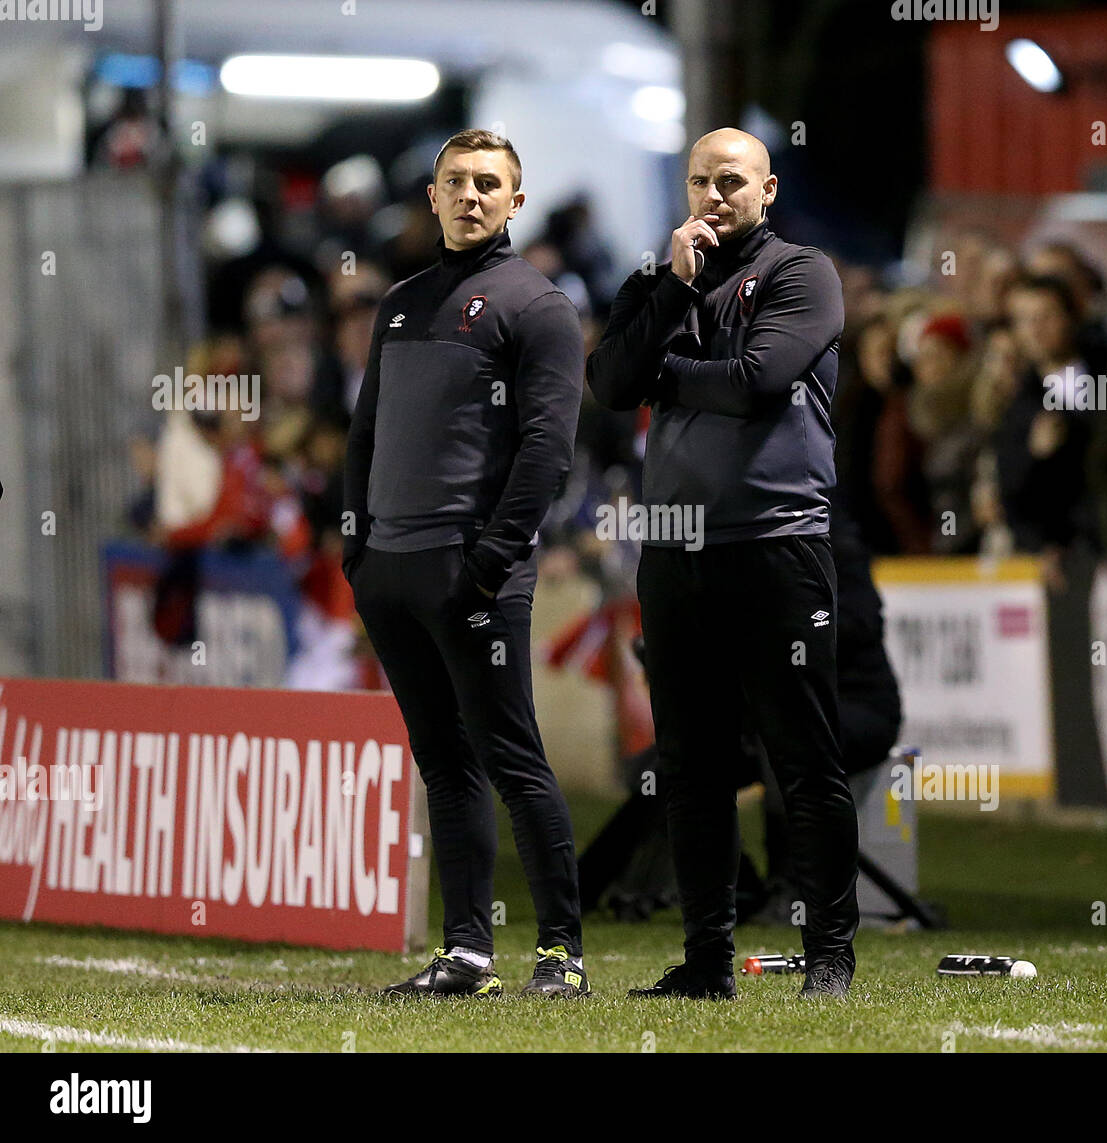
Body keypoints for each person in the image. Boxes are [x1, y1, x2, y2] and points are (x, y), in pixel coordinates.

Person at [587, 127, 859, 999]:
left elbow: (755, 380)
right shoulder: (659, 281)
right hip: (675, 551)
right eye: (701, 180)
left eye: (733, 180)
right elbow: (607, 383)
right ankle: (707, 962)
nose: (715, 195)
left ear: (767, 190)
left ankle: (829, 957)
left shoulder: (801, 273)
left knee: (803, 760)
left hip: (776, 543)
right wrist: (672, 289)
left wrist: (663, 370)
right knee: (691, 765)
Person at [342, 129, 588, 998]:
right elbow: (365, 434)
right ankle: (469, 953)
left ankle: (561, 954)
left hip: (471, 574)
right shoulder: (400, 303)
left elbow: (548, 449)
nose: (471, 195)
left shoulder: (538, 306)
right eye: (456, 182)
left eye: (488, 183)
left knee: (513, 761)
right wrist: (357, 549)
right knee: (444, 765)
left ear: (516, 201)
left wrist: (488, 561)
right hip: (392, 571)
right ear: (433, 196)